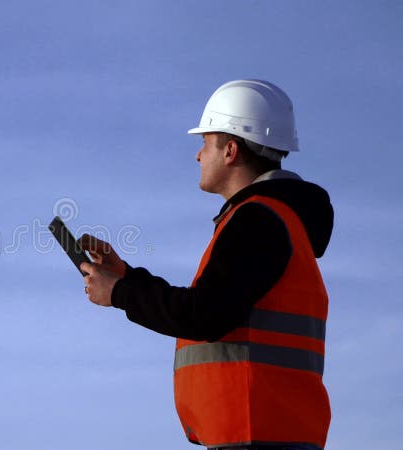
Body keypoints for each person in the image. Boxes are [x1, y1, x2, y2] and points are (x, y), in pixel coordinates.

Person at [78, 80, 332, 450]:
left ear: (230, 150)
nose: (198, 156)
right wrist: (127, 278)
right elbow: (215, 306)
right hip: (267, 432)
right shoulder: (276, 221)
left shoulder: (258, 220)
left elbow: (204, 315)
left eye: (205, 143)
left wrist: (120, 292)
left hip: (255, 435)